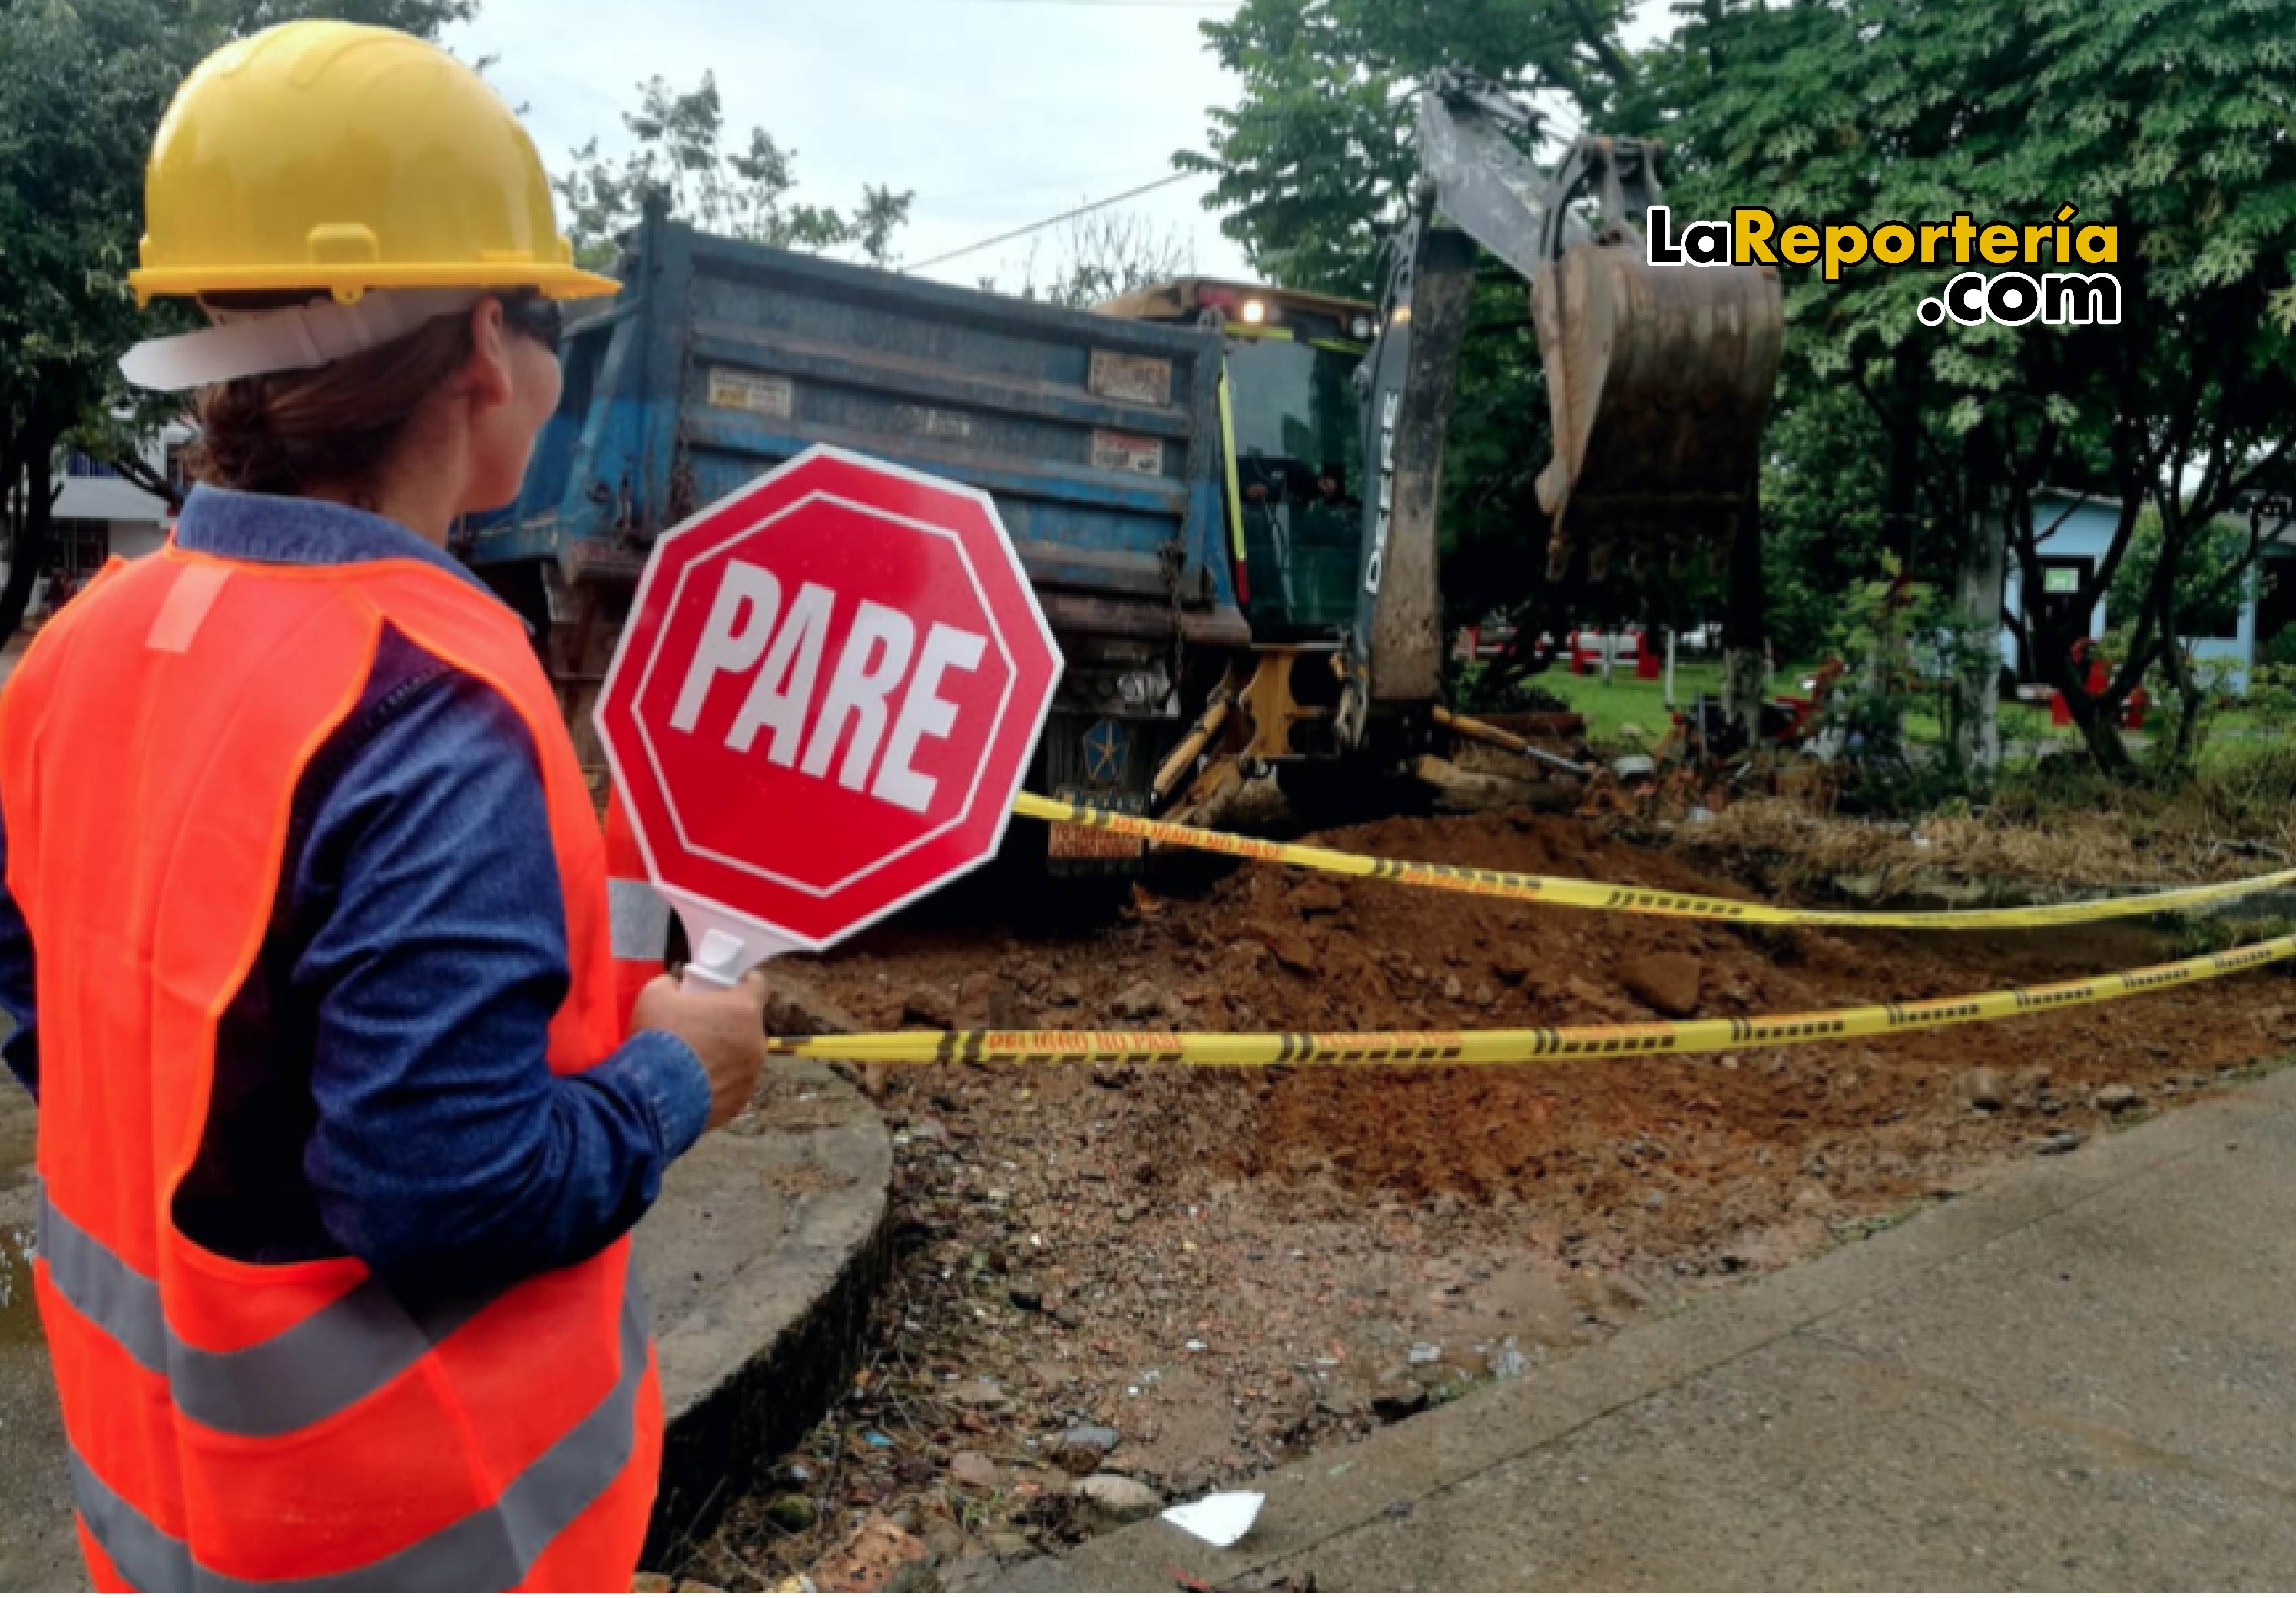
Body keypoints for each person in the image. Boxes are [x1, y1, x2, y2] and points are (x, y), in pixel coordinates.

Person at [0, 21, 770, 1592]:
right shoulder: (421, 706)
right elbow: (444, 1188)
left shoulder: (77, 649)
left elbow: (46, 999)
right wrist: (676, 1080)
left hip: (159, 1524)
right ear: (487, 348)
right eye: (550, 316)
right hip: (414, 1544)